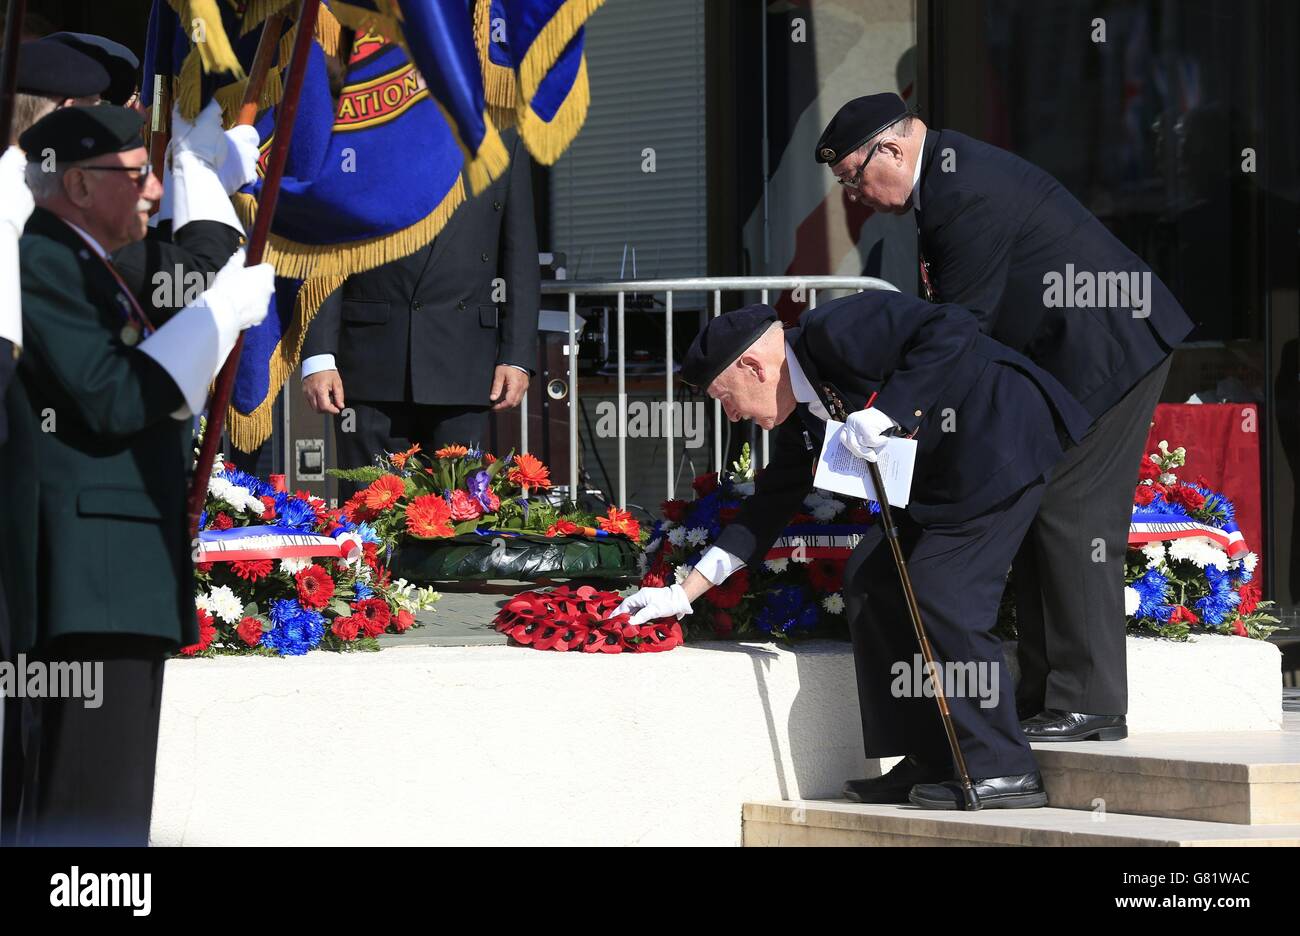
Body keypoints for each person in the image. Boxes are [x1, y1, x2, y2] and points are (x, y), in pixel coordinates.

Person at [815, 93, 1195, 741]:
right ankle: (1049, 692)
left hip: (1108, 350)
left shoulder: (962, 192)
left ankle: (1091, 703)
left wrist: (897, 414)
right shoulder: (946, 180)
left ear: (895, 148)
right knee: (1034, 504)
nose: (854, 193)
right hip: (1062, 358)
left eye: (854, 176)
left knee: (1069, 513)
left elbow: (963, 325)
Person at [615, 297, 1090, 809]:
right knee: (873, 576)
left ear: (753, 366)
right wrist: (683, 594)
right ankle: (928, 754)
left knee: (943, 590)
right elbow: (767, 511)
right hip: (941, 479)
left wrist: (890, 410)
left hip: (999, 438)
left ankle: (1004, 768)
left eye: (727, 398)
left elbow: (954, 322)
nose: (732, 414)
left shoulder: (832, 331)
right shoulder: (801, 418)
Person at [0, 105, 274, 846]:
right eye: (136, 173)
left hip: (113, 577)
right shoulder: (46, 260)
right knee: (91, 809)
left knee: (104, 807)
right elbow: (111, 395)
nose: (152, 190)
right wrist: (213, 318)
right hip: (94, 578)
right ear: (82, 185)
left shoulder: (83, 260)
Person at [300, 129, 539, 488]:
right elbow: (326, 249)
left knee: (458, 524)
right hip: (370, 365)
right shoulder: (358, 126)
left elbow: (520, 255)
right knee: (371, 525)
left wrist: (517, 355)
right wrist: (319, 355)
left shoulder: (504, 138)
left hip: (464, 366)